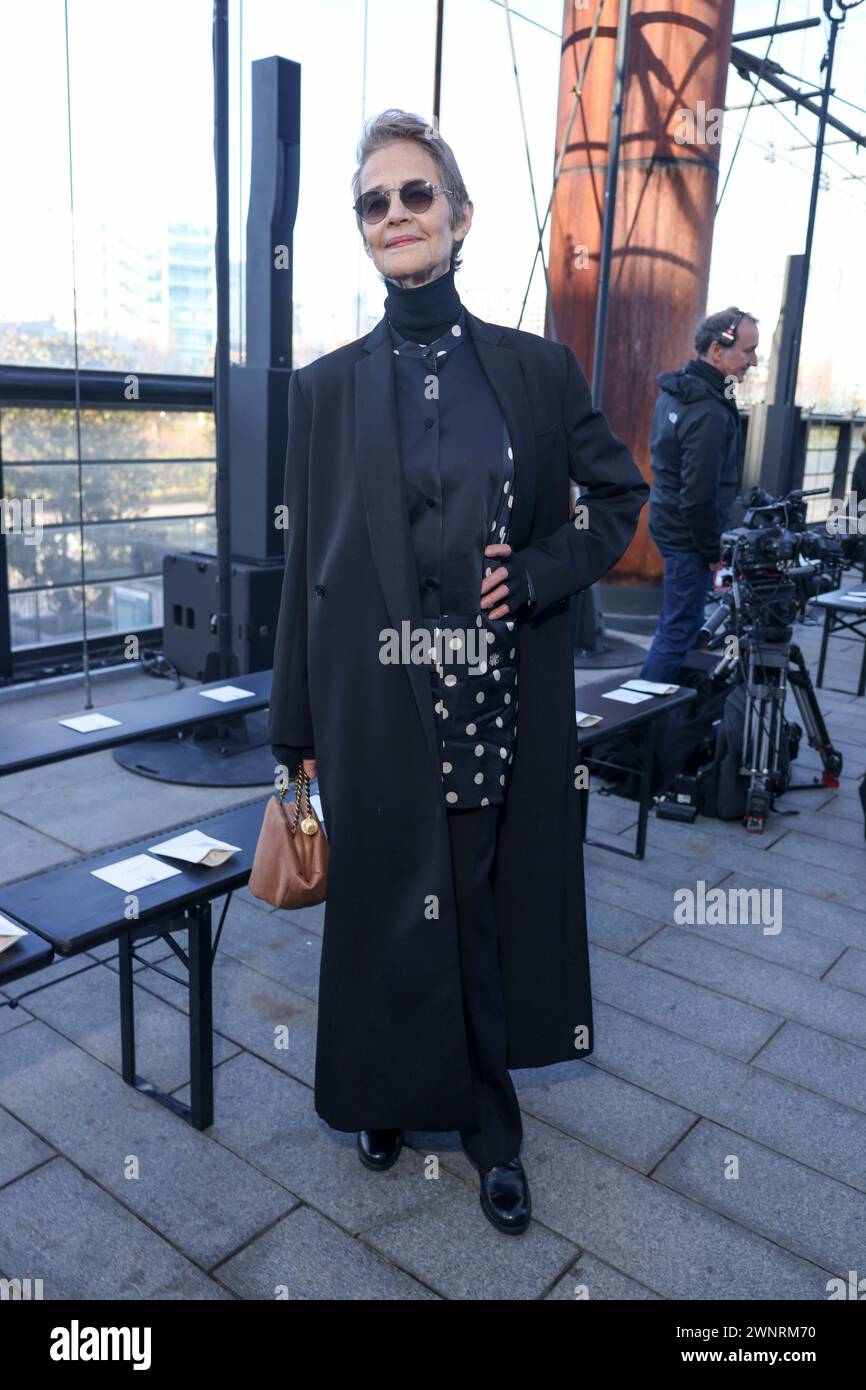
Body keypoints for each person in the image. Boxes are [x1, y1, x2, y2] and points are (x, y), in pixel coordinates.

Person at [268, 109, 648, 1236]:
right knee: (381, 909)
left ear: (460, 215)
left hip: (488, 698)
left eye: (414, 194)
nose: (394, 215)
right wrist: (293, 725)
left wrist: (535, 573)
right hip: (369, 701)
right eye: (373, 203)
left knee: (473, 910)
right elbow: (304, 575)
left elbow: (617, 504)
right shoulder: (326, 387)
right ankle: (387, 1093)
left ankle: (490, 1128)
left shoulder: (533, 370)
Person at [640, 307, 758, 684]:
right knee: (676, 632)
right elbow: (697, 496)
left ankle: (672, 722)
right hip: (689, 539)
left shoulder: (680, 391)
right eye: (747, 351)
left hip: (672, 528)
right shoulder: (707, 409)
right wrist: (711, 553)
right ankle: (636, 728)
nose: (752, 361)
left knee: (682, 628)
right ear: (716, 350)